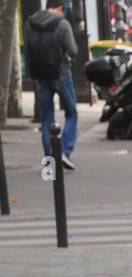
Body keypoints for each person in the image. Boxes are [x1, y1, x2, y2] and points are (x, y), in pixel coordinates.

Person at [24, 0, 79, 170]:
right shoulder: (62, 24)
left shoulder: (30, 23)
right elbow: (73, 51)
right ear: (60, 8)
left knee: (47, 117)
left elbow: (27, 50)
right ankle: (63, 151)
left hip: (40, 76)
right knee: (71, 113)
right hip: (60, 73)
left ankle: (49, 161)